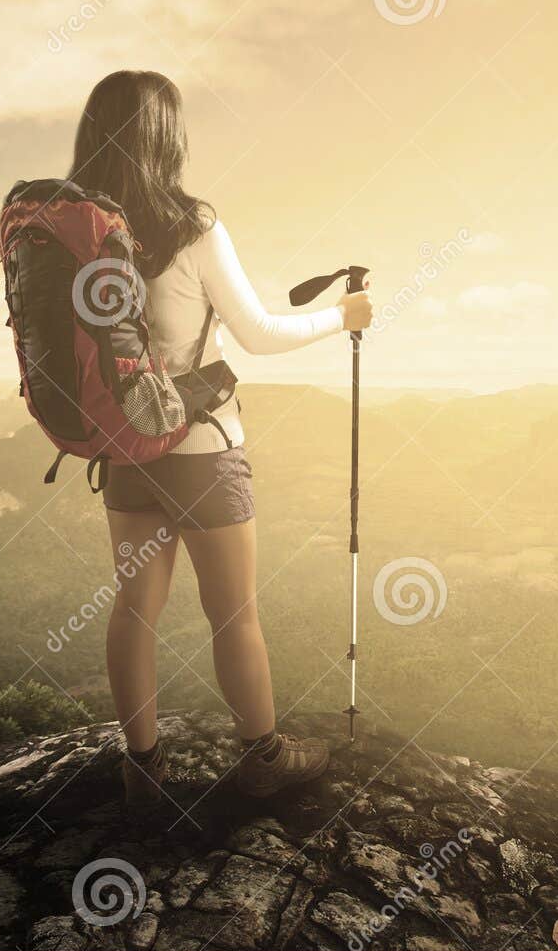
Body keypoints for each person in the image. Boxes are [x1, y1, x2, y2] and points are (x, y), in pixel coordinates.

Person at [66, 70, 372, 808]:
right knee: (233, 612)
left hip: (125, 445)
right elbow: (258, 335)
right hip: (201, 448)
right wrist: (344, 316)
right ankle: (264, 758)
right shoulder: (191, 227)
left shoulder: (78, 235)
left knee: (133, 609)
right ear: (165, 138)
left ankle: (143, 771)